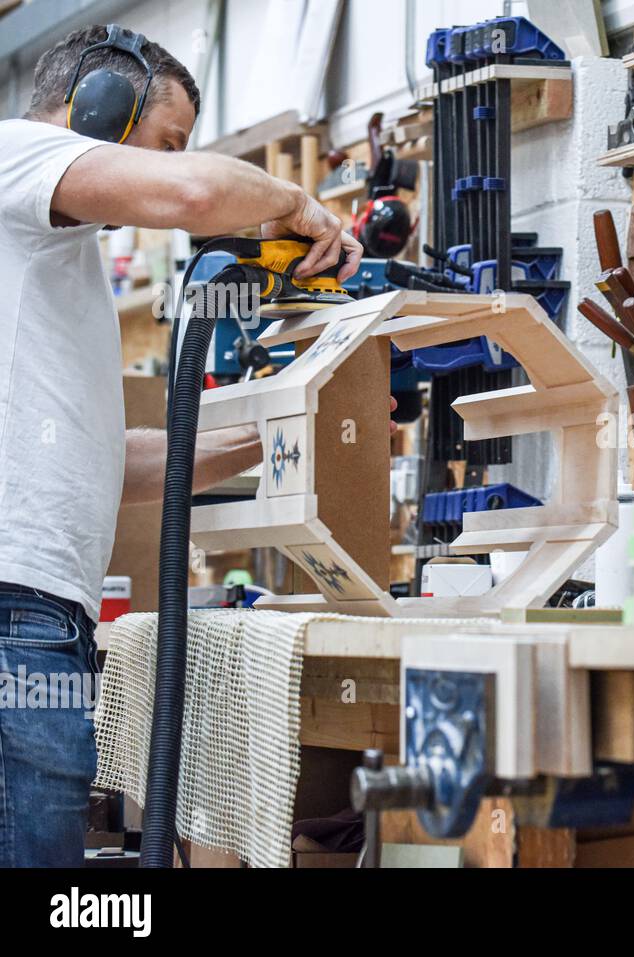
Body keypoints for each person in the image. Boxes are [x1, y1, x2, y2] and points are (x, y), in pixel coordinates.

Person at [0, 24, 368, 867]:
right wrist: (298, 206)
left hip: (34, 612)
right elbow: (196, 197)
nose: (171, 165)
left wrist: (284, 430)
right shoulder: (14, 152)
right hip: (14, 612)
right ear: (97, 107)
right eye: (166, 144)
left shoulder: (50, 259)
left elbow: (110, 460)